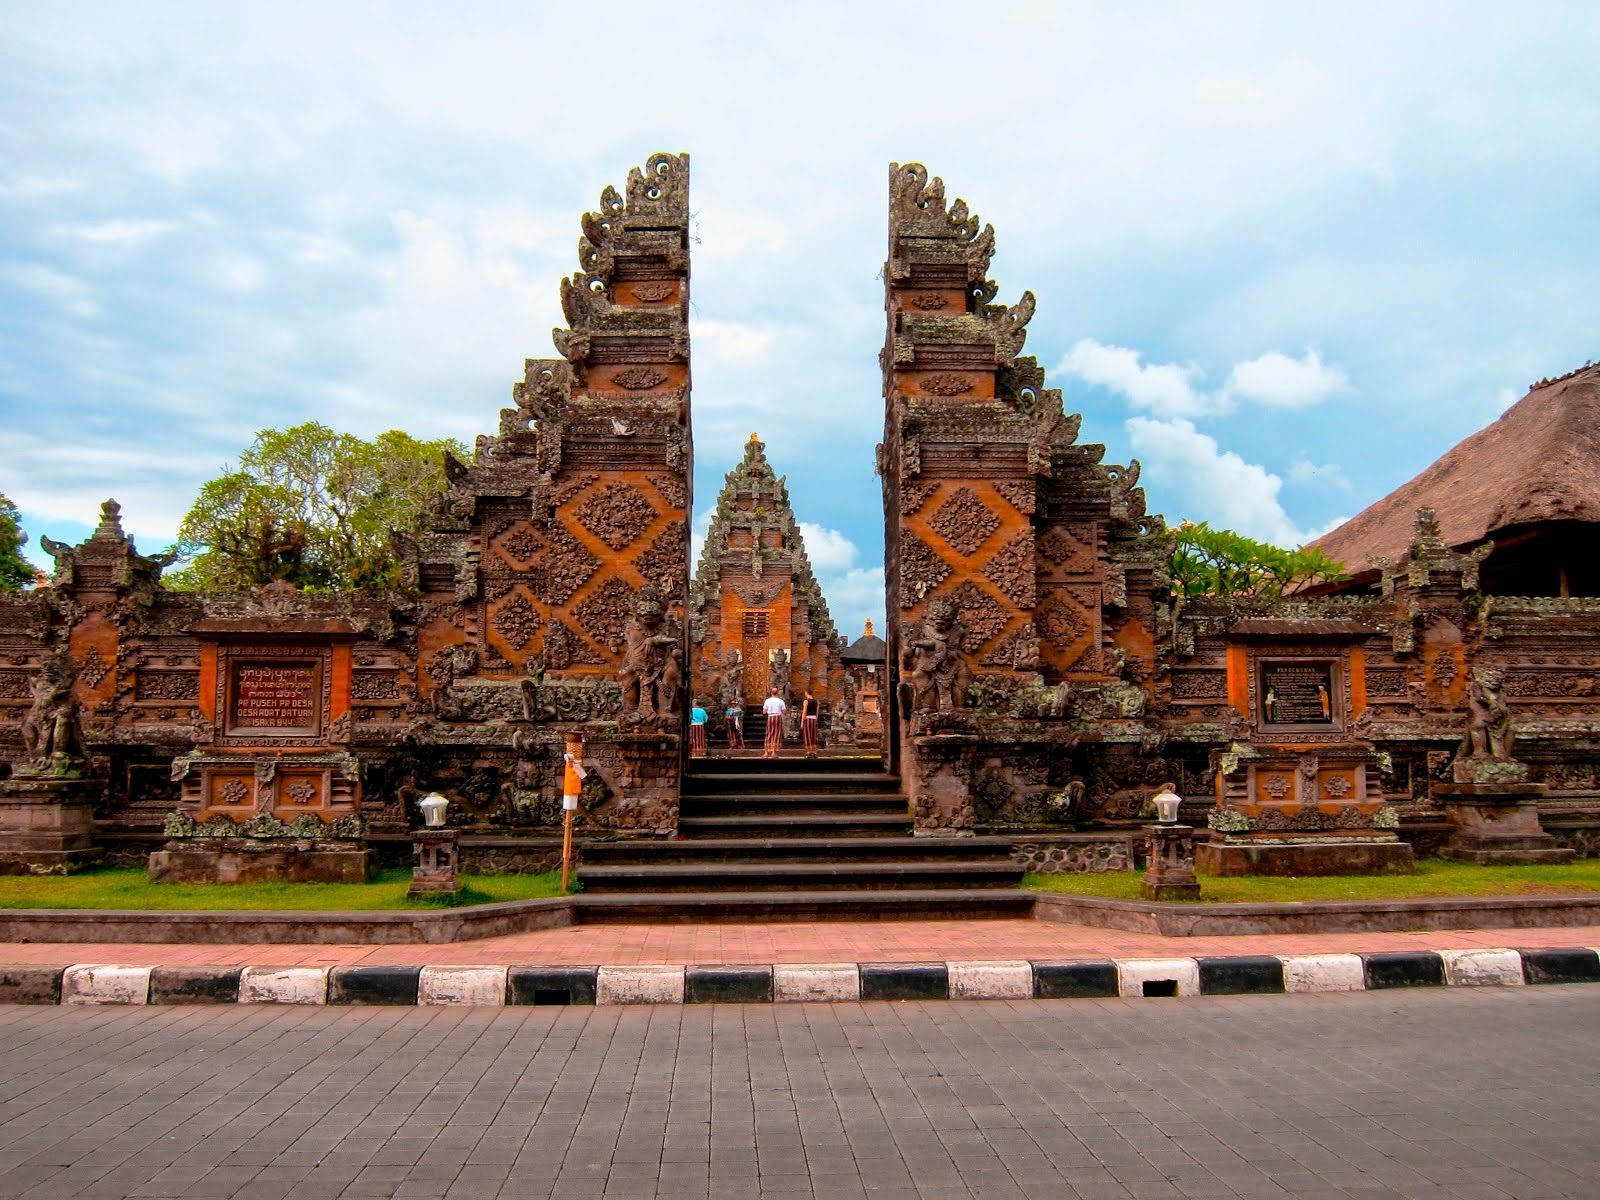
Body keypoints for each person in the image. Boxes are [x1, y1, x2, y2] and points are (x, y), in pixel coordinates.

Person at [762, 686, 787, 758]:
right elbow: (784, 711)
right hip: (777, 717)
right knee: (777, 734)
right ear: (777, 693)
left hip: (770, 717)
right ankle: (774, 752)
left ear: (771, 693)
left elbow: (764, 711)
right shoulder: (780, 701)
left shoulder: (767, 701)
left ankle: (766, 752)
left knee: (769, 734)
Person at [801, 689, 820, 758]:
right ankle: (814, 752)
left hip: (808, 719)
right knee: (814, 736)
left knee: (808, 735)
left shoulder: (806, 701)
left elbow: (804, 712)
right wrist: (816, 719)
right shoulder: (816, 702)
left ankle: (809, 752)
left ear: (806, 693)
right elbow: (817, 712)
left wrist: (802, 721)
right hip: (814, 719)